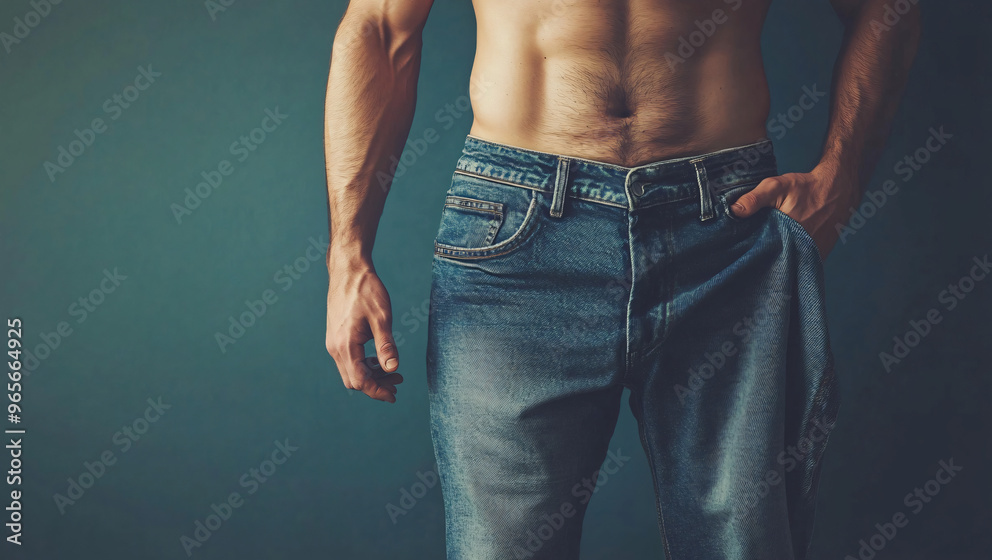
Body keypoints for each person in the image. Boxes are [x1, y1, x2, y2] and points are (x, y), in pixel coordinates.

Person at [323, 1, 920, 558]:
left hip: (727, 231)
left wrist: (841, 177)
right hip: (518, 237)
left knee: (745, 544)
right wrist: (348, 251)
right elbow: (379, 25)